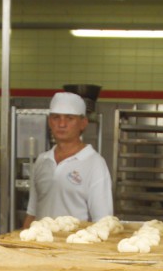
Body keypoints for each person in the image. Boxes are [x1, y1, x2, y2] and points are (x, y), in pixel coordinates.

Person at [22, 91, 112, 228]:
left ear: (83, 123)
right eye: (56, 117)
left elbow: (103, 222)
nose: (62, 124)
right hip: (40, 246)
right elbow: (32, 213)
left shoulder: (94, 164)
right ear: (49, 122)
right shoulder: (42, 161)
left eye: (69, 118)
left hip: (73, 247)